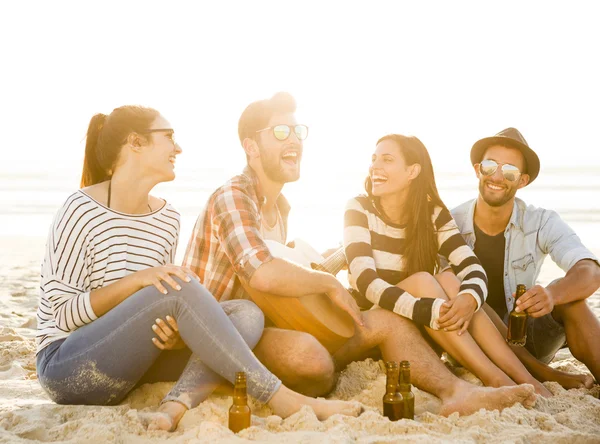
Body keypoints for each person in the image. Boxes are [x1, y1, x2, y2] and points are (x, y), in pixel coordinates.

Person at [183, 92, 538, 416]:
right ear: (251, 146)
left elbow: (273, 291)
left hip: (272, 324)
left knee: (391, 320)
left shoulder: (280, 207)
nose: (293, 140)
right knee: (313, 360)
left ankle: (457, 392)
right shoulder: (234, 195)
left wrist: (467, 298)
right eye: (280, 132)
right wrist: (326, 281)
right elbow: (261, 274)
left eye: (297, 131)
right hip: (225, 334)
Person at [35, 105, 362, 433]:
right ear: (135, 142)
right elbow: (64, 315)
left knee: (246, 313)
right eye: (169, 137)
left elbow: (153, 303)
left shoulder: (167, 218)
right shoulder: (80, 209)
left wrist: (170, 330)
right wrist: (138, 282)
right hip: (68, 368)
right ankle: (283, 398)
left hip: (130, 371)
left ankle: (175, 405)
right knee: (183, 284)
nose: (178, 148)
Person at [343, 133, 560, 396]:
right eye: (374, 159)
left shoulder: (432, 212)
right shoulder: (358, 208)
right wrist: (427, 310)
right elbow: (366, 282)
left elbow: (472, 267)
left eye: (387, 160)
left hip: (424, 328)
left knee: (449, 279)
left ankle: (526, 377)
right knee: (425, 280)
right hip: (377, 323)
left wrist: (469, 298)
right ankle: (493, 377)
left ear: (412, 171)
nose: (375, 166)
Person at [449, 127, 599, 386]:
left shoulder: (540, 221)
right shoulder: (450, 223)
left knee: (570, 299)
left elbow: (590, 271)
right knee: (467, 293)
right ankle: (544, 375)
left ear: (522, 181)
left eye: (509, 171)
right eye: (489, 166)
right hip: (470, 343)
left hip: (526, 339)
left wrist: (553, 295)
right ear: (477, 169)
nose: (496, 176)